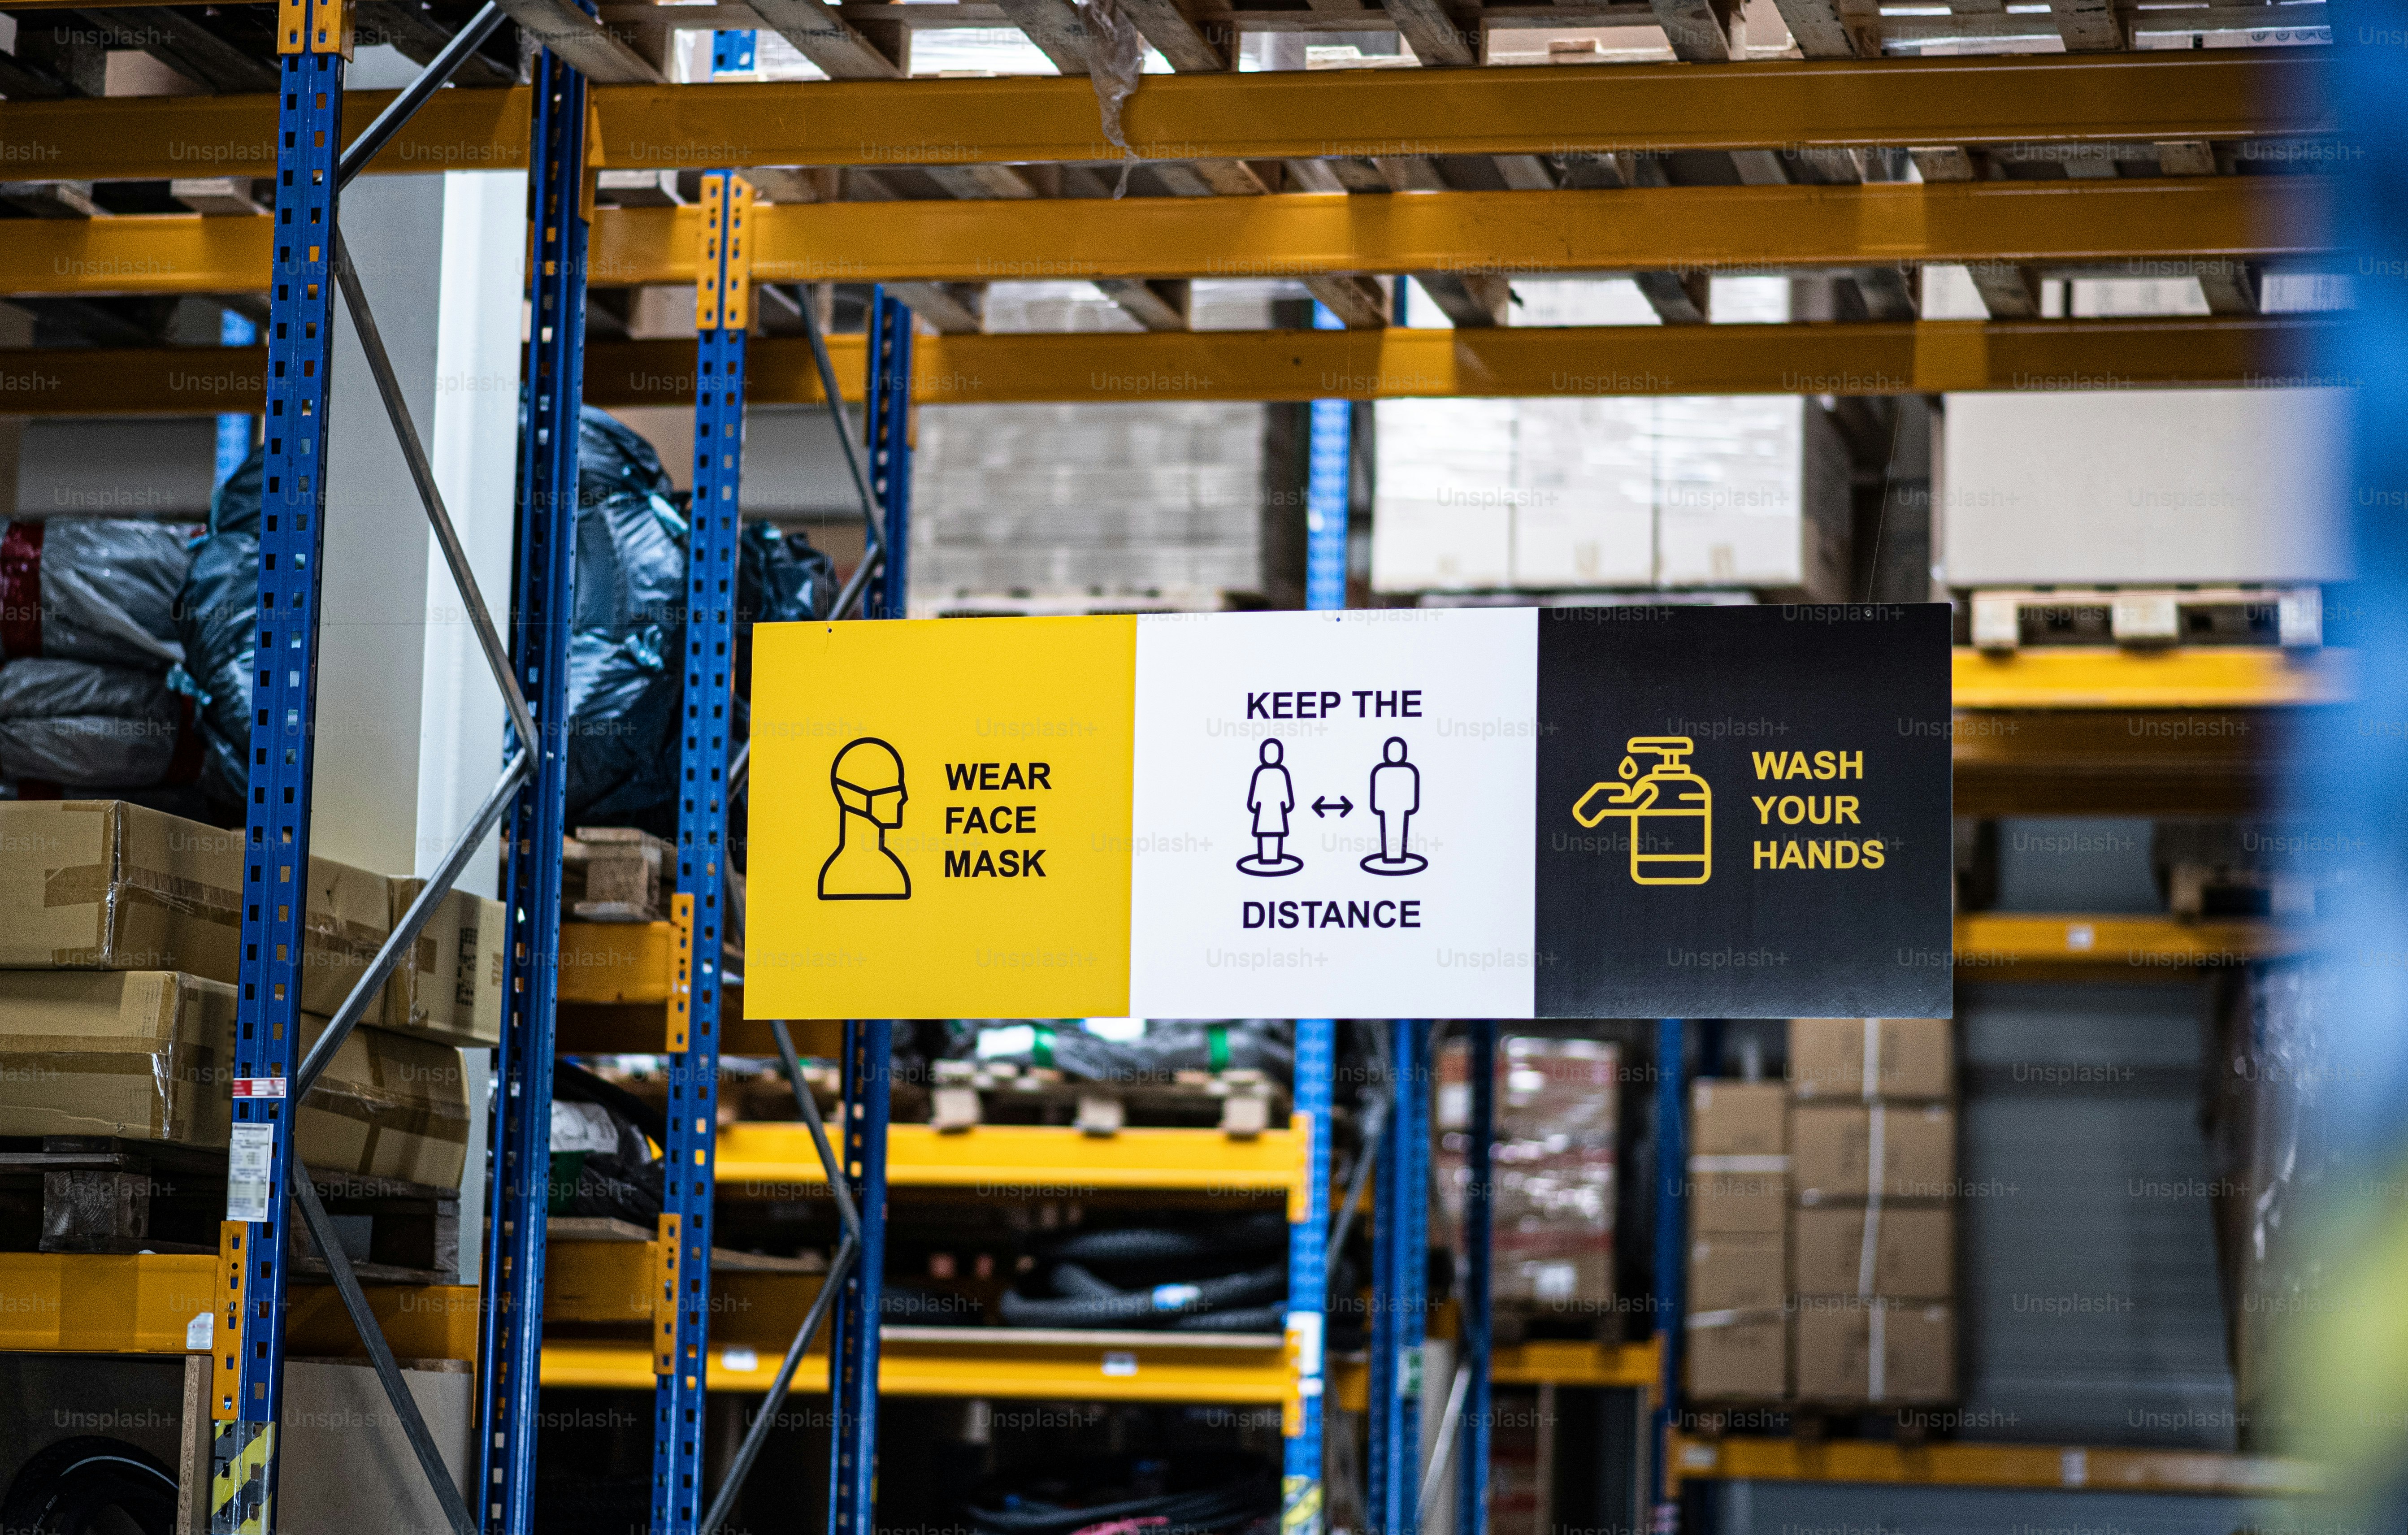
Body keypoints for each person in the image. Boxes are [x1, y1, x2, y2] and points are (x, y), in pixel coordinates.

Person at [819, 736, 911, 899]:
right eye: (893, 789)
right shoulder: (839, 878)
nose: (903, 797)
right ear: (856, 797)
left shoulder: (891, 874)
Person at [1362, 736, 1426, 875]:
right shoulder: (1382, 771)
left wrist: (1411, 807)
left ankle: (1399, 857)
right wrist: (1378, 808)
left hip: (1402, 809)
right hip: (1386, 809)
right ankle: (1389, 857)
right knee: (1387, 831)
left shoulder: (1408, 770)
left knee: (1402, 832)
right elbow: (1377, 794)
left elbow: (1412, 794)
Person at [1239, 737, 1302, 876]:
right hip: (1265, 811)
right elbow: (1254, 794)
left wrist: (1286, 807)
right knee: (1263, 835)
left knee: (1277, 835)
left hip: (1276, 811)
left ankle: (1275, 858)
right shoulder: (1261, 773)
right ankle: (1265, 858)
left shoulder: (1281, 773)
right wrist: (1255, 807)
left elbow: (1288, 795)